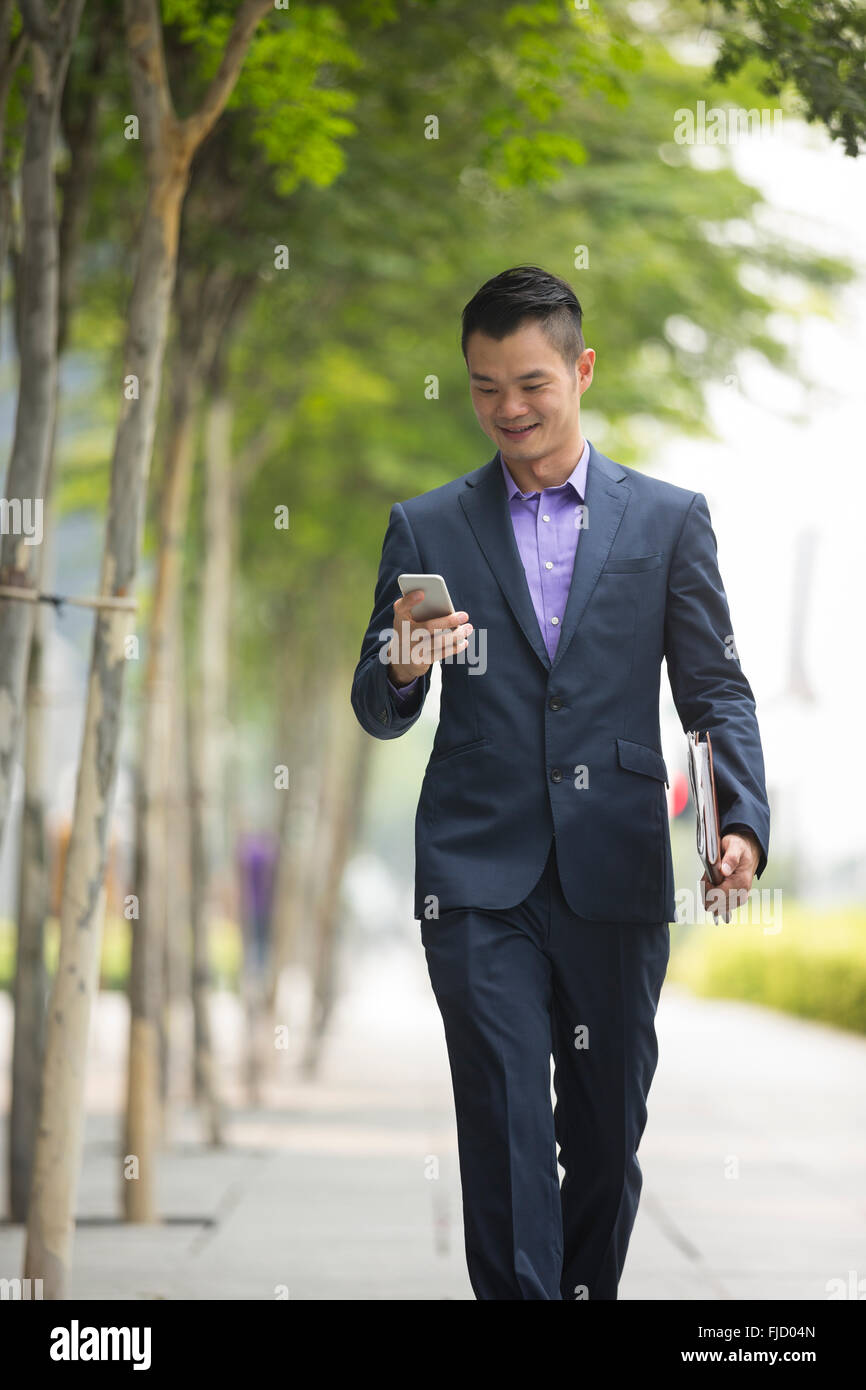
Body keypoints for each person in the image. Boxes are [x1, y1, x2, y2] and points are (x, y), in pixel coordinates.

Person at [350, 265, 770, 1300]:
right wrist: (403, 662)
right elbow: (376, 700)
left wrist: (739, 827)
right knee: (503, 1129)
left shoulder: (668, 521)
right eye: (484, 386)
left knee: (602, 1138)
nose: (507, 408)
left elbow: (712, 690)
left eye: (529, 383)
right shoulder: (428, 527)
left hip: (615, 872)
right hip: (475, 878)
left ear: (580, 370)